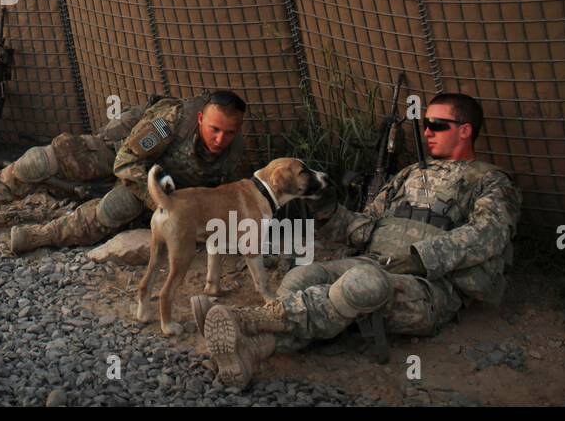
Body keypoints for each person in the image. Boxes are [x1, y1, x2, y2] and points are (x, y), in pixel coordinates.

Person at [196, 92, 520, 390]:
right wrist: (328, 210)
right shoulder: (408, 176)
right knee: (303, 276)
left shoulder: (491, 181)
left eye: (437, 125)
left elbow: (488, 234)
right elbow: (363, 228)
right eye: (425, 124)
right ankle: (254, 350)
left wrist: (423, 256)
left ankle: (248, 321)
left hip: (428, 284)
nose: (427, 132)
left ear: (465, 131)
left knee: (363, 284)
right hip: (372, 261)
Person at [7, 91, 249, 254]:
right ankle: (43, 235)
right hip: (129, 163)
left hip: (171, 189)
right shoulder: (170, 123)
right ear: (200, 119)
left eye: (229, 133)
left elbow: (224, 193)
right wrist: (158, 202)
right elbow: (126, 161)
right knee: (114, 205)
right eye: (214, 129)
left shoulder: (236, 151)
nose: (220, 139)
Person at [0, 105, 146, 233]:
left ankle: (38, 238)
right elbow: (134, 138)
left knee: (118, 206)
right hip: (118, 155)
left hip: (148, 184)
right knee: (37, 161)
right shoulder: (168, 117)